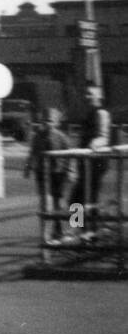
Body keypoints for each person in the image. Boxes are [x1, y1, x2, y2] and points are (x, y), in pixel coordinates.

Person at [24, 107, 74, 244]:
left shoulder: (61, 137)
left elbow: (70, 154)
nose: (47, 124)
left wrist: (70, 170)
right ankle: (47, 235)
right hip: (43, 174)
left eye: (51, 121)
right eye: (45, 121)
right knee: (46, 203)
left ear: (56, 123)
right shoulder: (37, 136)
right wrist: (28, 167)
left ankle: (62, 231)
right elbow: (32, 152)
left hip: (58, 174)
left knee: (60, 203)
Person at [67, 85, 112, 236]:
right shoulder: (87, 115)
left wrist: (91, 146)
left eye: (90, 94)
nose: (87, 97)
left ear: (99, 96)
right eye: (86, 94)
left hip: (95, 163)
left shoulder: (101, 113)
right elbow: (81, 140)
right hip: (85, 163)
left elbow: (103, 137)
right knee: (76, 198)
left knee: (89, 198)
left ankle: (90, 230)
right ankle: (79, 228)